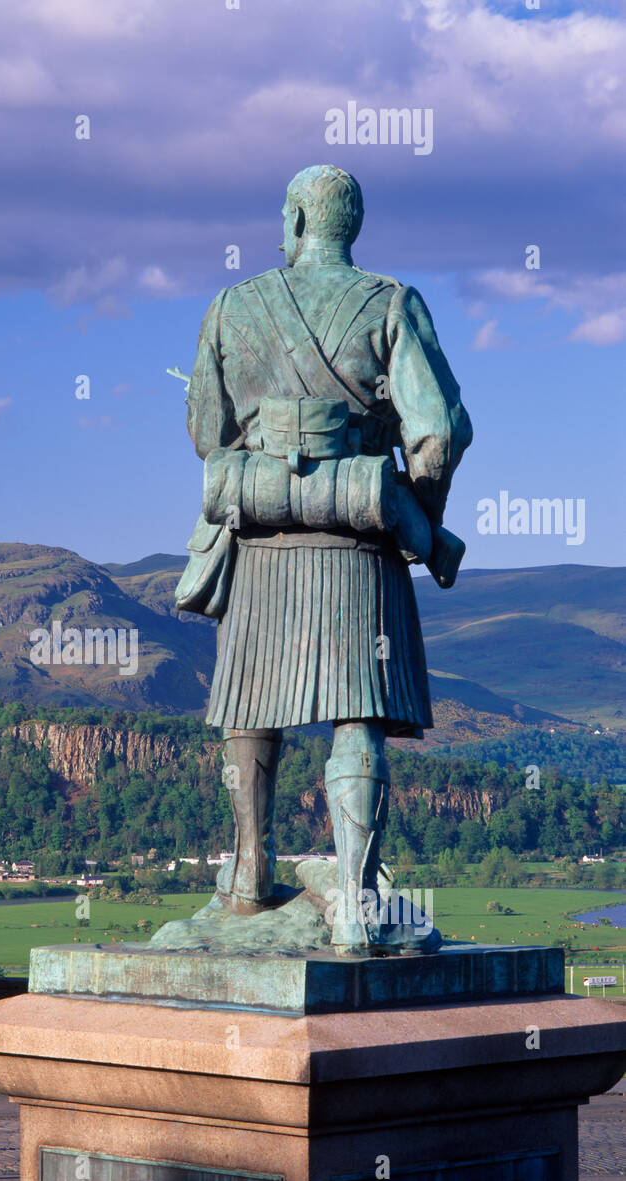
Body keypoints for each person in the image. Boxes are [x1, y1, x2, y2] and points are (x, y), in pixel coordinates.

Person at [180, 164, 472, 952]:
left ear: (296, 220)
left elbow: (208, 432)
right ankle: (351, 901)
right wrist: (416, 520)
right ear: (352, 225)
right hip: (358, 536)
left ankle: (246, 878)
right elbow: (438, 431)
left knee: (249, 709)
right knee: (358, 718)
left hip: (261, 531)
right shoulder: (390, 304)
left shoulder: (232, 306)